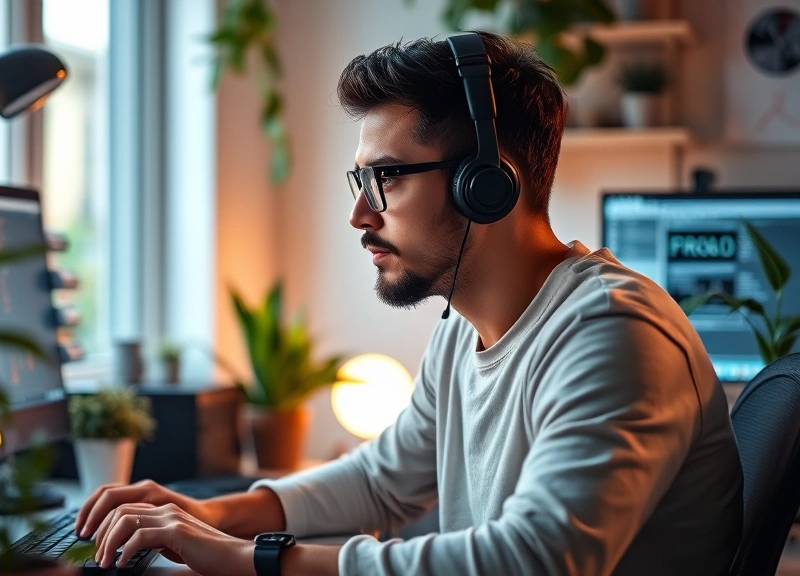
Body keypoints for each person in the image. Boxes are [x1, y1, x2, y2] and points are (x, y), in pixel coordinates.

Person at [74, 31, 743, 576]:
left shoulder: (613, 332)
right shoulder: (464, 331)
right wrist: (206, 516)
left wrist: (252, 559)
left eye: (386, 176)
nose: (359, 214)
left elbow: (537, 559)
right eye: (361, 178)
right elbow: (383, 480)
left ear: (487, 184)